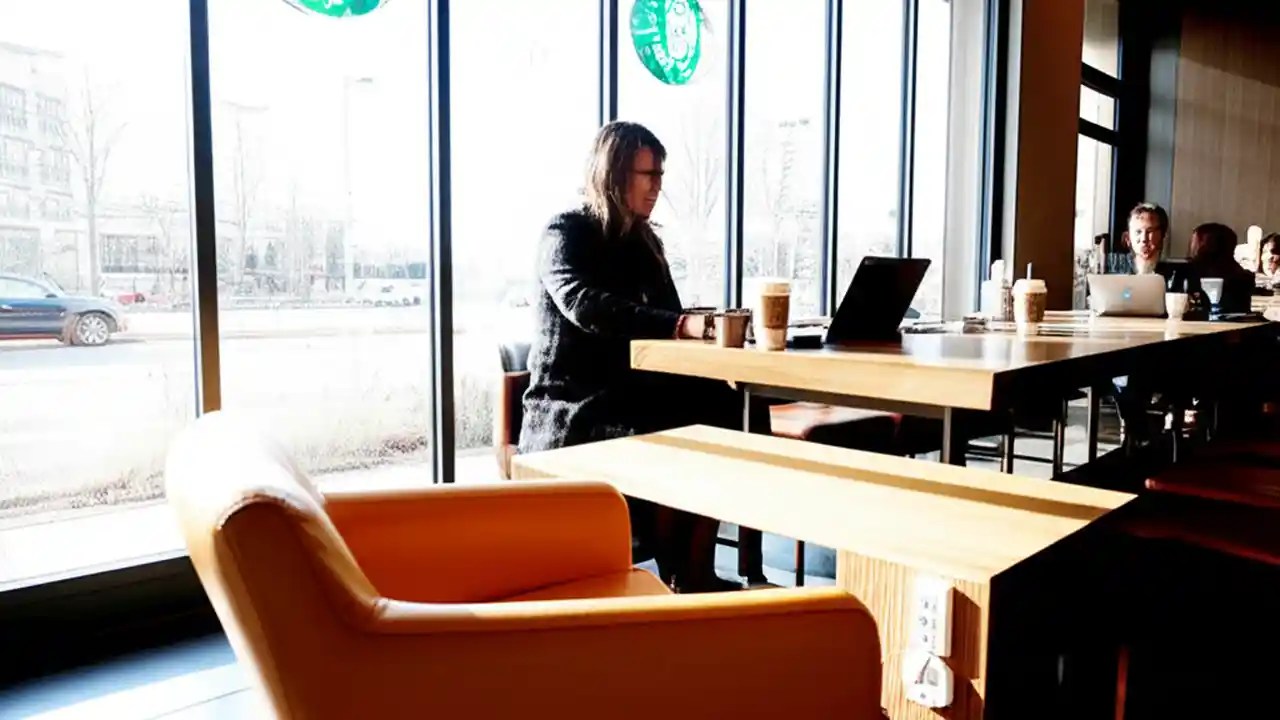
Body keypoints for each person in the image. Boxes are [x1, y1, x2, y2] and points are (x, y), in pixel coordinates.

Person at [519, 121, 761, 593]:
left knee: (726, 408)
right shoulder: (565, 232)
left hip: (628, 395)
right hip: (574, 407)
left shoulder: (643, 242)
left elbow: (668, 315)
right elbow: (585, 304)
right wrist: (680, 324)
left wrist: (700, 324)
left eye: (660, 175)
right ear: (613, 175)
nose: (657, 186)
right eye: (647, 174)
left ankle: (694, 568)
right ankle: (683, 571)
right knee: (678, 432)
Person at [1187, 222, 1254, 314]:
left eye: (1194, 240)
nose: (1191, 244)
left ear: (1203, 243)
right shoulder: (1243, 275)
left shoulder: (1191, 272)